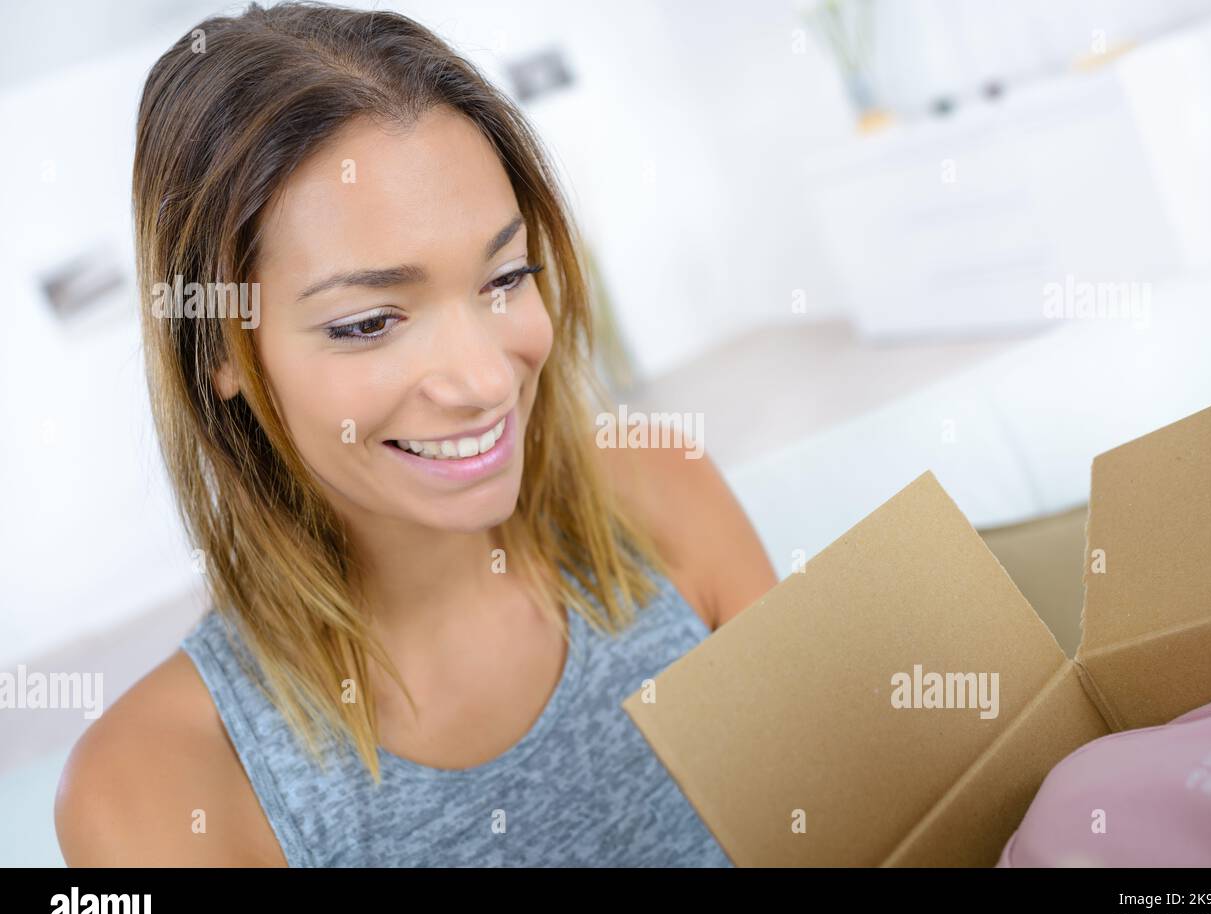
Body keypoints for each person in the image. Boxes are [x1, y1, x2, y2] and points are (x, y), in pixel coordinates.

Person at [54, 0, 775, 867]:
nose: (482, 380)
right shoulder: (152, 783)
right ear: (222, 348)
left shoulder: (663, 492)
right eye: (369, 323)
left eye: (506, 275)